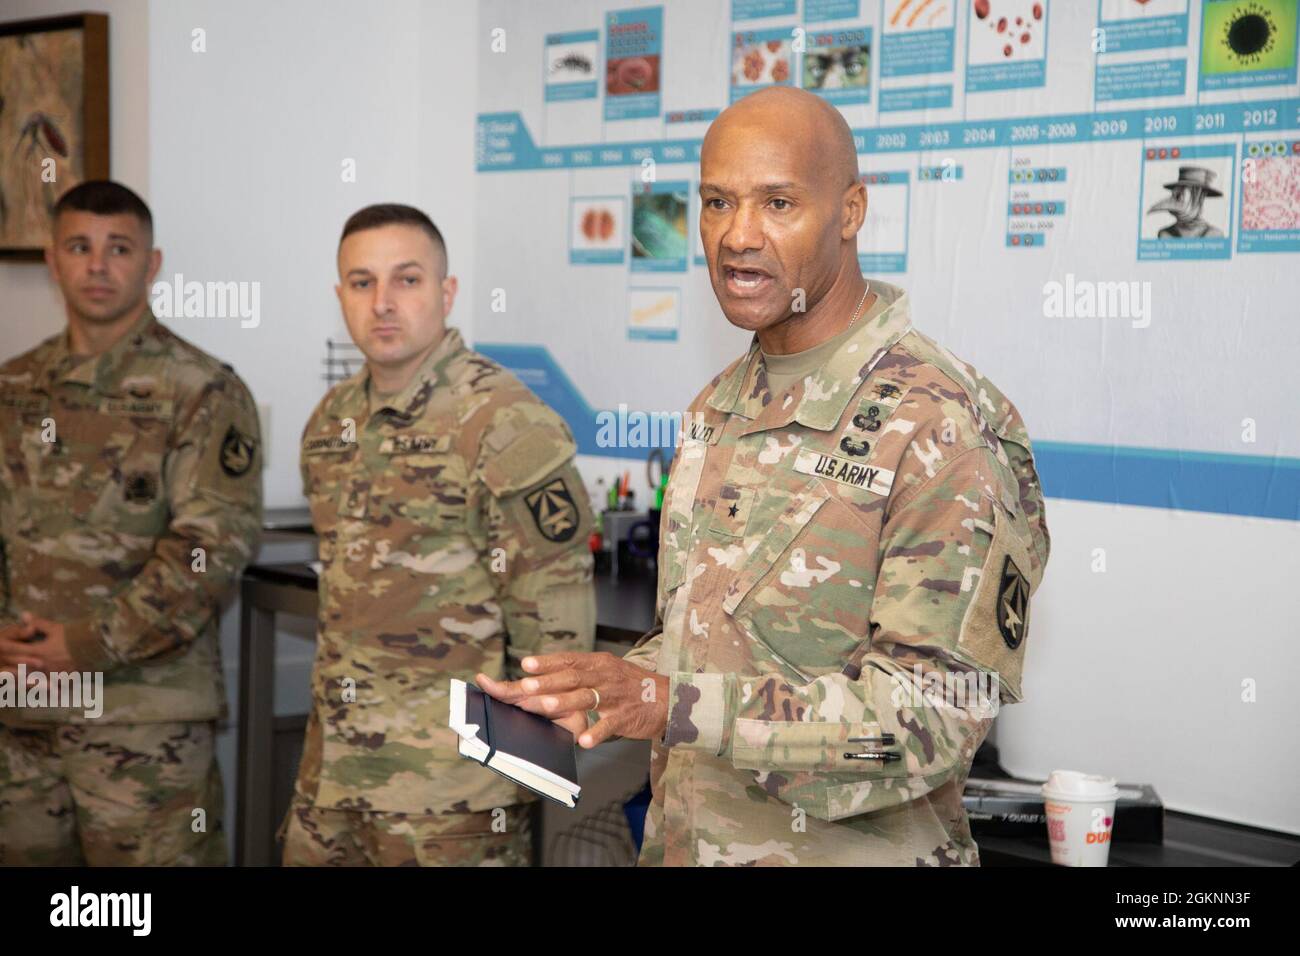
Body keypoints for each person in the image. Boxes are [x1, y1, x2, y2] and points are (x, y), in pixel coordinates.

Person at [477, 87, 1051, 866]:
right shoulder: (718, 406)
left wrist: (664, 701)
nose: (738, 236)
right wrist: (604, 687)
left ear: (850, 211)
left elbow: (933, 725)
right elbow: (704, 648)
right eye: (717, 203)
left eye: (778, 203)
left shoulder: (941, 423)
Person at [282, 204, 595, 866]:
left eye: (408, 279)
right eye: (362, 283)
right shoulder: (331, 422)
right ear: (340, 296)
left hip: (452, 798)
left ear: (447, 292)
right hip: (332, 778)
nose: (384, 303)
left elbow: (556, 622)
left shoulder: (504, 421)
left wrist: (516, 782)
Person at [0, 180, 263, 865]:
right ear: (52, 261)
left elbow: (210, 550)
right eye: (79, 247)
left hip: (143, 725)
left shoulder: (201, 389)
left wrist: (87, 643)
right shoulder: (13, 387)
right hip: (20, 710)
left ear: (151, 264)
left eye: (119, 249)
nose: (97, 265)